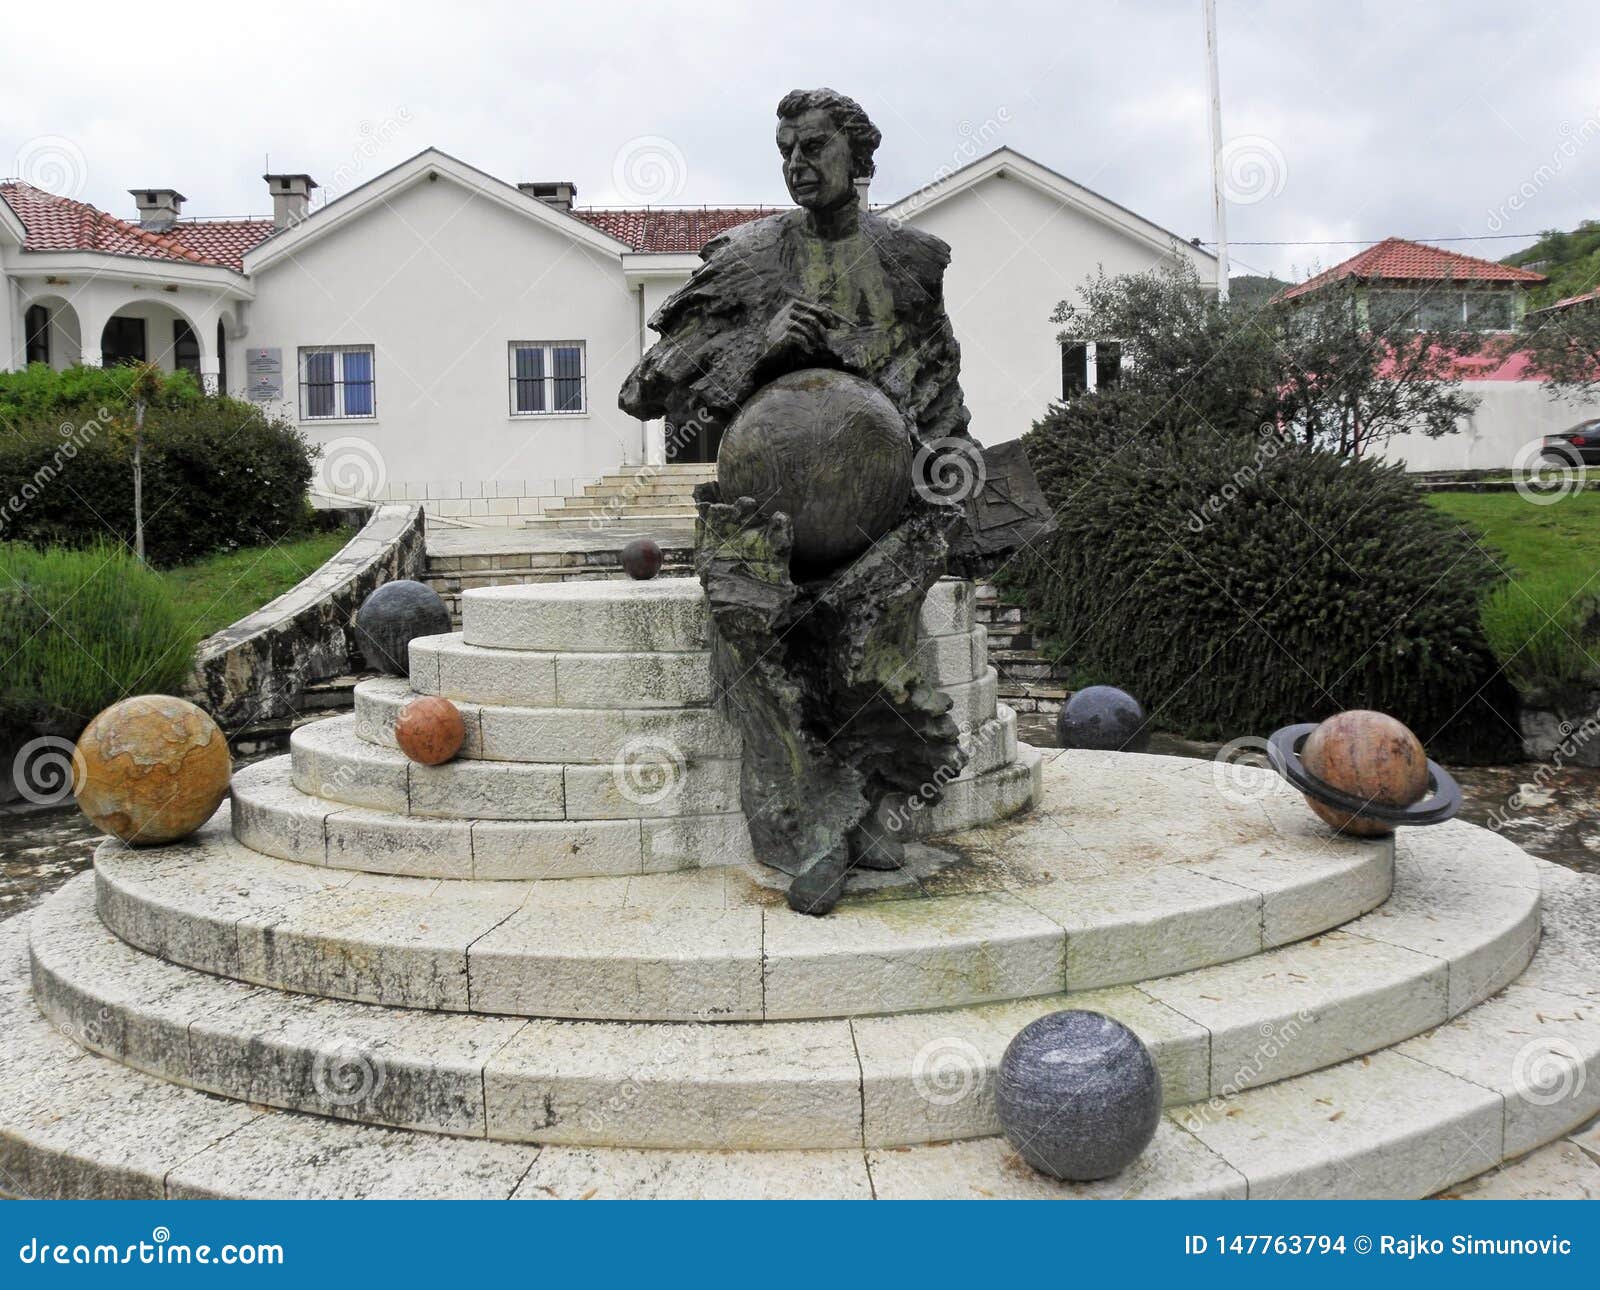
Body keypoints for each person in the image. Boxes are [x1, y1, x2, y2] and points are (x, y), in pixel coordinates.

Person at [620, 88, 981, 914]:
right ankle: (813, 825)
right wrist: (758, 346)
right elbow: (642, 394)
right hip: (766, 517)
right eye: (786, 151)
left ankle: (870, 802)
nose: (797, 164)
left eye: (815, 148)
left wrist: (948, 493)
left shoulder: (911, 264)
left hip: (879, 516)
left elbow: (946, 413)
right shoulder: (747, 260)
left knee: (867, 630)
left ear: (860, 159)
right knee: (750, 622)